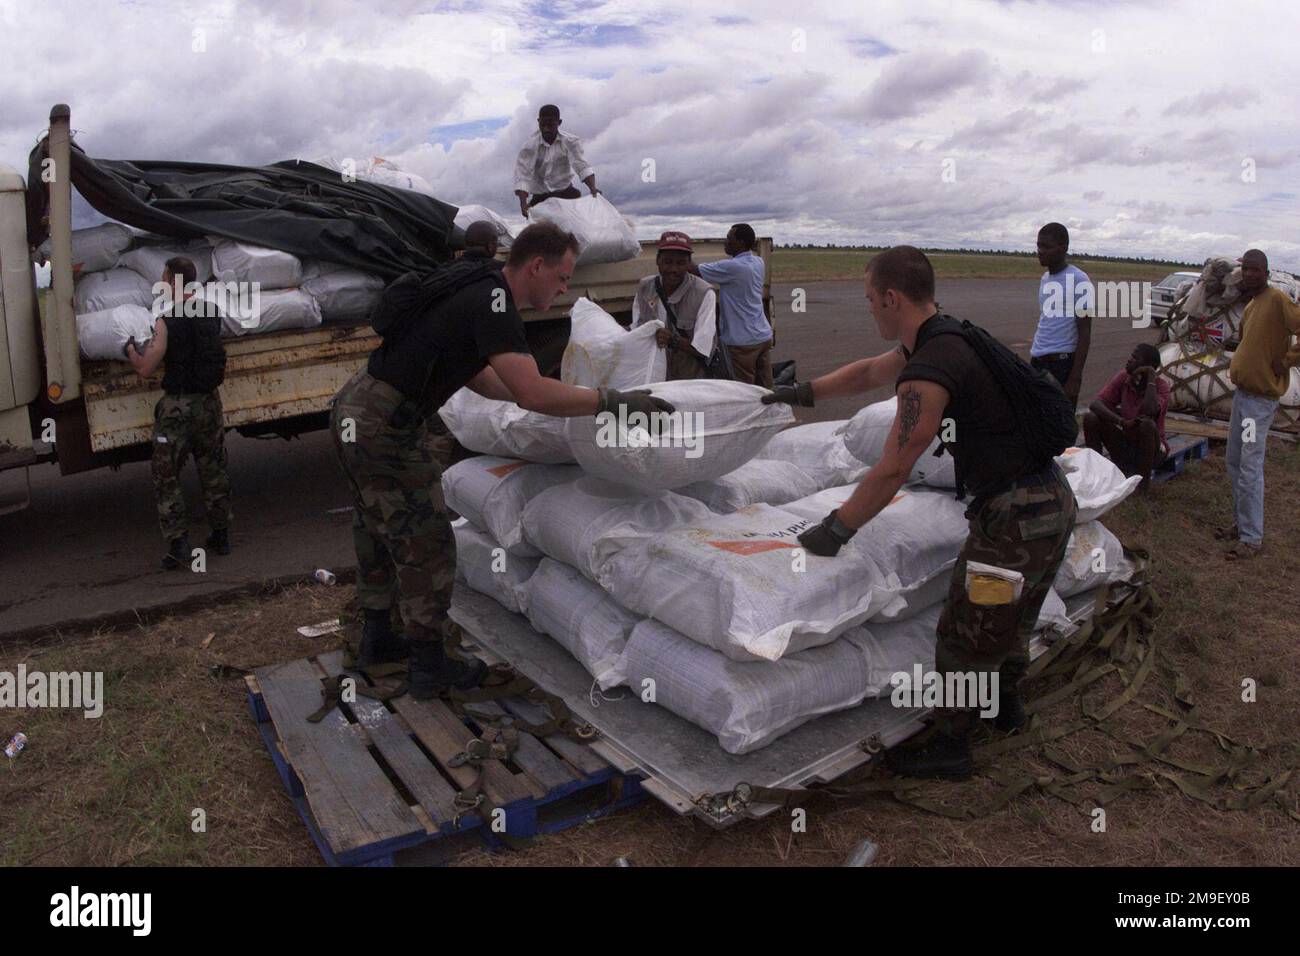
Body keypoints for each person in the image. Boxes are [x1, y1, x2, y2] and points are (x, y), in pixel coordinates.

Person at [763, 246, 1078, 779]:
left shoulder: (930, 367)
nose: (869, 310)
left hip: (1015, 519)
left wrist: (838, 529)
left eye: (870, 300)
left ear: (892, 297)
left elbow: (894, 464)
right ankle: (1004, 709)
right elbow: (867, 372)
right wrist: (801, 392)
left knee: (965, 631)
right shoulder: (944, 337)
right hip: (1050, 504)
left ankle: (951, 744)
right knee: (1012, 619)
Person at [330, 222, 672, 698]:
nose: (564, 289)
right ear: (537, 266)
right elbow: (531, 392)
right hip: (385, 427)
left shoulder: (475, 285)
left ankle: (377, 640)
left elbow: (482, 376)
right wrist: (610, 401)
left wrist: (529, 398)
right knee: (426, 540)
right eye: (562, 277)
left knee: (375, 526)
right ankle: (429, 666)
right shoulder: (494, 301)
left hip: (358, 411)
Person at [125, 256, 233, 569]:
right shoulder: (211, 312)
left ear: (173, 281)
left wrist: (130, 349)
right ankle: (221, 535)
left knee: (166, 474)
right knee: (213, 468)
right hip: (209, 402)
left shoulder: (166, 320)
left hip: (177, 408)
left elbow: (146, 368)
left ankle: (179, 545)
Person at [1217, 249, 1300, 560]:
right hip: (1242, 398)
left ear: (1266, 271)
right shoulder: (1252, 304)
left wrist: (1287, 361)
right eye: (1246, 269)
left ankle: (1251, 538)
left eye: (1255, 269)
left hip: (1258, 403)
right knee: (1234, 462)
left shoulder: (1278, 299)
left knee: (1249, 468)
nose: (1250, 274)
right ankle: (1241, 525)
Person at [691, 223, 771, 386]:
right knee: (766, 387)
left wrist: (685, 250)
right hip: (762, 335)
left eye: (729, 238)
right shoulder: (758, 262)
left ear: (741, 243)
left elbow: (693, 270)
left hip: (742, 342)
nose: (725, 242)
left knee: (743, 389)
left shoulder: (732, 267)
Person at [631, 231, 718, 380]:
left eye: (681, 263)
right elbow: (635, 330)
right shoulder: (645, 287)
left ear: (689, 264)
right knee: (623, 404)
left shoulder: (704, 294)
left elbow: (703, 349)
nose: (674, 269)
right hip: (654, 377)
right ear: (657, 261)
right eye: (668, 262)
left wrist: (673, 340)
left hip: (689, 381)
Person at [1083, 343, 1170, 492]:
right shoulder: (1124, 377)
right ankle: (1096, 476)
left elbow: (1149, 411)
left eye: (1136, 358)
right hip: (1126, 444)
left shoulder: (1161, 387)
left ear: (1148, 367)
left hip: (1152, 453)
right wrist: (1122, 422)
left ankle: (1142, 487)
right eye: (1131, 356)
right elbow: (1096, 404)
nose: (1130, 360)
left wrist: (1150, 378)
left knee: (1146, 425)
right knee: (1091, 418)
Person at [1031, 222, 1093, 405]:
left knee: (1060, 426)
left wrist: (1075, 378)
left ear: (1063, 248)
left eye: (1046, 246)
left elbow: (1085, 331)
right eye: (1038, 245)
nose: (1040, 251)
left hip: (1061, 364)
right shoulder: (1045, 278)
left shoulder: (1079, 280)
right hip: (1038, 359)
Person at [513, 105, 598, 219]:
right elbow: (523, 176)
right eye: (543, 124)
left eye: (550, 124)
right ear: (538, 122)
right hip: (540, 197)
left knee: (574, 229)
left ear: (559, 122)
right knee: (542, 233)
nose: (546, 128)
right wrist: (523, 203)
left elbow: (581, 166)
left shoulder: (570, 141)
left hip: (566, 194)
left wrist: (593, 188)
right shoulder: (530, 146)